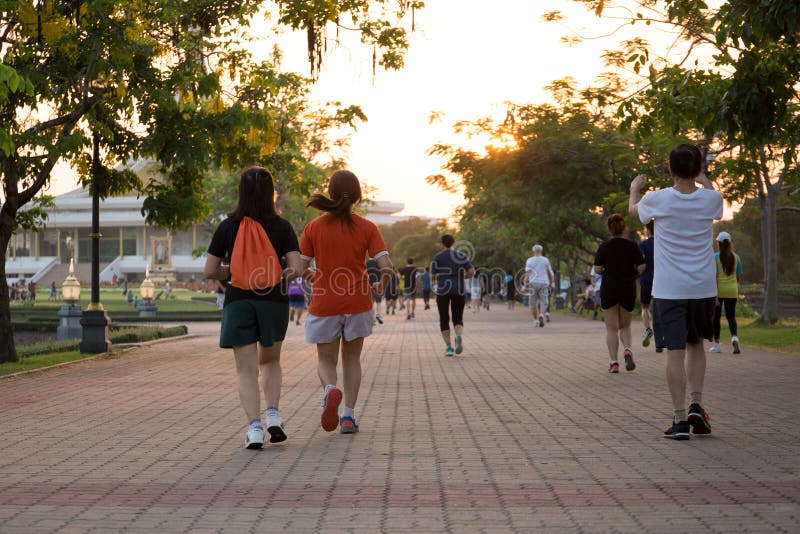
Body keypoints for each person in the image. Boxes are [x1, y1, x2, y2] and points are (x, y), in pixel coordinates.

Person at [629, 143, 723, 440]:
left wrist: (634, 189)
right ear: (697, 169)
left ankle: (680, 418)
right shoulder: (711, 200)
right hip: (702, 287)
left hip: (669, 289)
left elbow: (634, 213)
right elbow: (710, 194)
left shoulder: (658, 199)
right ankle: (697, 403)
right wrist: (703, 178)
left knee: (674, 350)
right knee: (696, 345)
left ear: (669, 169)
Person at [205, 166, 301, 449]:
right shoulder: (282, 227)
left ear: (241, 192)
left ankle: (255, 429)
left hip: (239, 301)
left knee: (245, 369)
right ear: (271, 192)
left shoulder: (227, 227)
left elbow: (210, 270)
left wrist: (236, 272)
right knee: (270, 361)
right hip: (273, 301)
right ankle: (273, 415)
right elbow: (295, 269)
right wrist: (272, 274)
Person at [300, 170, 392, 435]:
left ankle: (330, 389)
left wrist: (310, 273)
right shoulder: (367, 227)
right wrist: (380, 286)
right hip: (358, 302)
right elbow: (386, 268)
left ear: (330, 192)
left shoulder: (314, 228)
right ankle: (349, 417)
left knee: (325, 359)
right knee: (352, 359)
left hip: (324, 301)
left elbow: (300, 266)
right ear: (357, 196)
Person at [594, 214, 646, 373]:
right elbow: (642, 266)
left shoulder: (604, 246)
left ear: (609, 229)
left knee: (611, 328)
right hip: (627, 287)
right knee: (625, 325)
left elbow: (597, 268)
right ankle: (628, 350)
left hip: (609, 287)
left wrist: (605, 270)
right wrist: (634, 273)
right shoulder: (632, 245)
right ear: (624, 227)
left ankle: (614, 362)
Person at [431, 234, 476, 357]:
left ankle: (449, 348)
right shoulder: (461, 256)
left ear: (442, 243)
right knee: (457, 317)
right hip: (458, 289)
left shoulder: (437, 257)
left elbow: (432, 274)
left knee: (444, 318)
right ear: (454, 242)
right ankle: (459, 336)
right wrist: (464, 276)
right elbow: (472, 271)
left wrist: (437, 280)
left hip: (443, 290)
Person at [710, 231, 743, 354]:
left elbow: (713, 277)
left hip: (719, 291)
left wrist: (715, 296)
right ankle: (734, 337)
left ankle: (717, 345)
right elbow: (738, 277)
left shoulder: (715, 257)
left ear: (718, 243)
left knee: (716, 318)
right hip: (732, 290)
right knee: (731, 316)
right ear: (730, 243)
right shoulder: (737, 257)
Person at [525, 245, 553, 328]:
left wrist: (525, 282)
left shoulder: (529, 260)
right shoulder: (545, 260)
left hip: (533, 283)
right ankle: (541, 314)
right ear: (541, 251)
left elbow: (527, 273)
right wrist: (551, 283)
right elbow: (550, 273)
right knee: (544, 301)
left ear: (533, 251)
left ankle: (535, 320)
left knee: (533, 303)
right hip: (544, 282)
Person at [639, 220, 656, 349]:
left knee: (645, 307)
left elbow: (641, 264)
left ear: (648, 230)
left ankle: (648, 329)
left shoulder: (643, 244)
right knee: (659, 307)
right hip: (662, 280)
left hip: (646, 280)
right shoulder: (664, 244)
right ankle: (660, 334)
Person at [366, 257, 384, 324]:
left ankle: (373, 319)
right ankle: (378, 314)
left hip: (369, 284)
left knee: (371, 302)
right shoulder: (378, 263)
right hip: (378, 284)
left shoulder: (366, 263)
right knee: (378, 301)